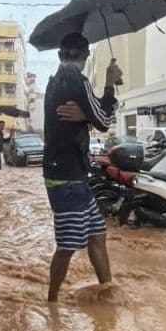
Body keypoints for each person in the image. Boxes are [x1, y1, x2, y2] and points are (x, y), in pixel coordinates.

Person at [42, 32, 122, 302]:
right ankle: (51, 302)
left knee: (97, 235)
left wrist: (86, 115)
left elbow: (90, 117)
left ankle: (108, 292)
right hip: (68, 179)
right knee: (67, 246)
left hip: (69, 176)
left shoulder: (54, 83)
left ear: (59, 55)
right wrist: (110, 84)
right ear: (86, 56)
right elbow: (104, 120)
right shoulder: (78, 81)